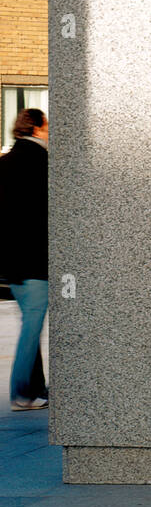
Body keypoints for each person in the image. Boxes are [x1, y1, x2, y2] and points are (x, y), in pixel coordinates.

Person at [0, 108, 49, 409]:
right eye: (46, 126)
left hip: (11, 265)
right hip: (34, 262)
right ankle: (21, 392)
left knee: (30, 322)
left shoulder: (3, 164)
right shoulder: (42, 163)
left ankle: (35, 388)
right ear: (37, 129)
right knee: (32, 326)